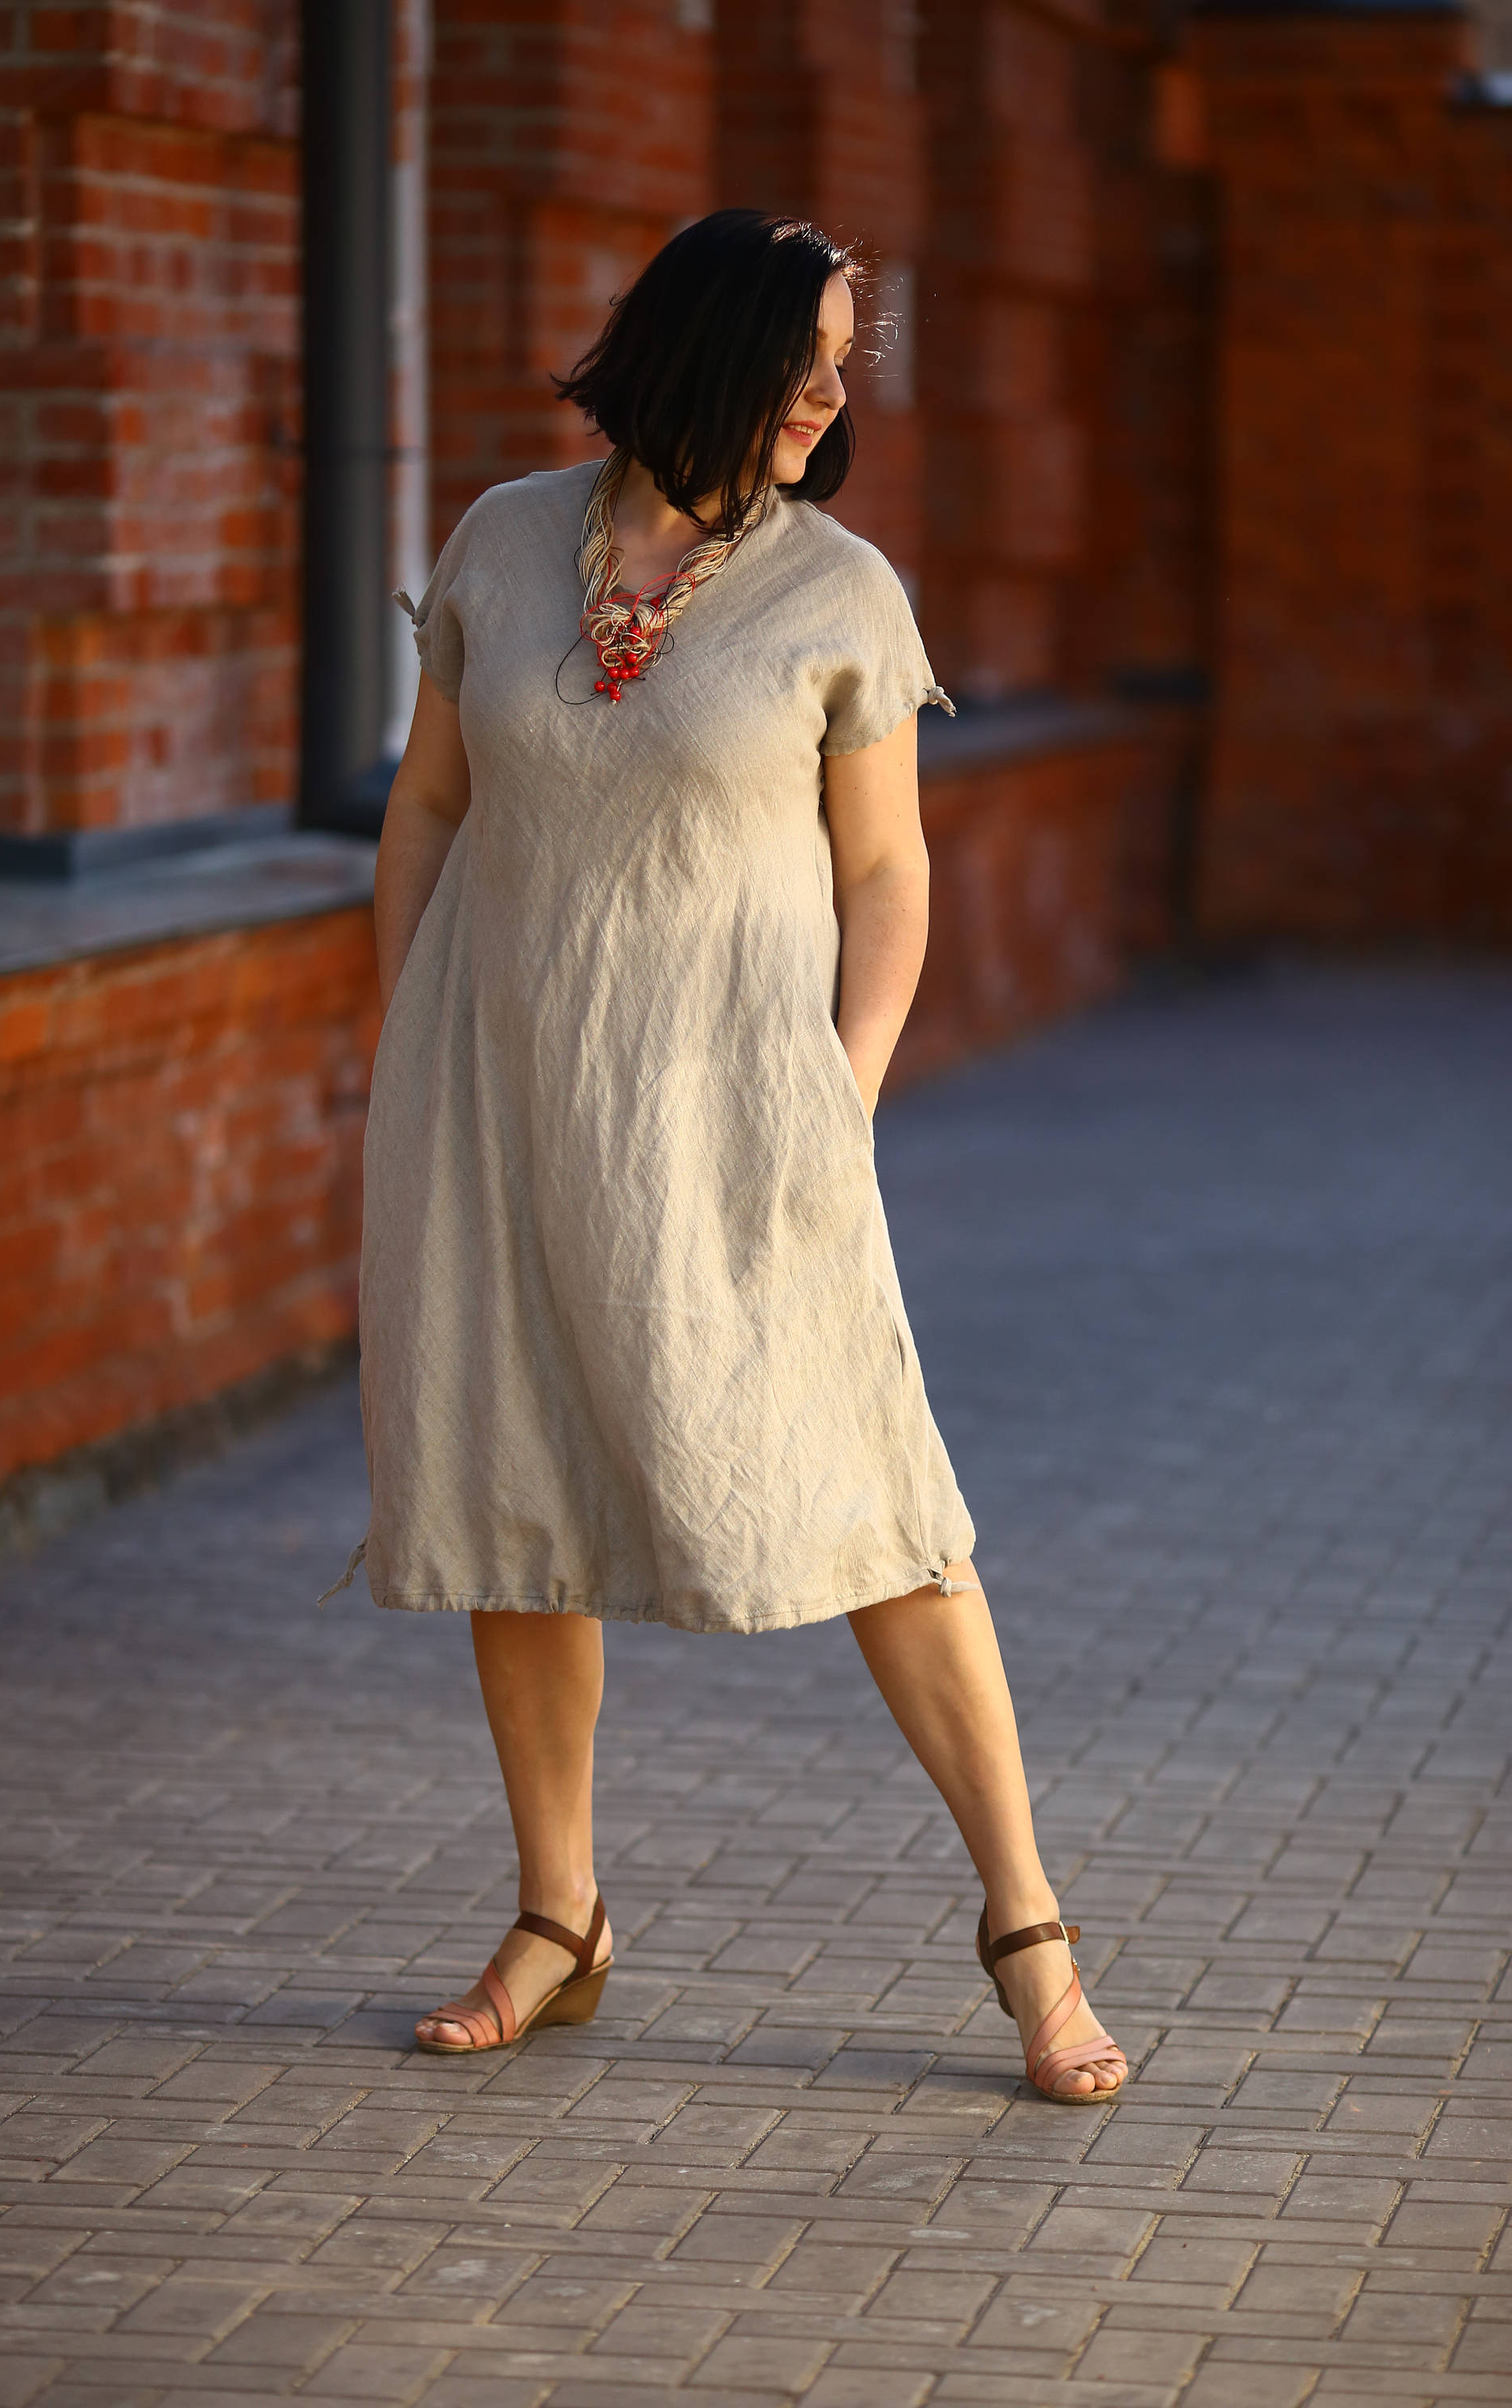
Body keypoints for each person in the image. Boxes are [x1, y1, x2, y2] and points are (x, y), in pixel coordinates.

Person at [336, 209, 1126, 2103]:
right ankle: (559, 1917)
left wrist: (842, 1096)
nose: (834, 394)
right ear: (712, 343)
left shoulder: (839, 592)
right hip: (503, 1102)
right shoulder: (505, 541)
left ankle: (1026, 1931)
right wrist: (408, 1055)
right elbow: (426, 813)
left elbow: (887, 878)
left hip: (749, 1125)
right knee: (509, 1491)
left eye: (851, 359)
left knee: (876, 1501)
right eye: (812, 355)